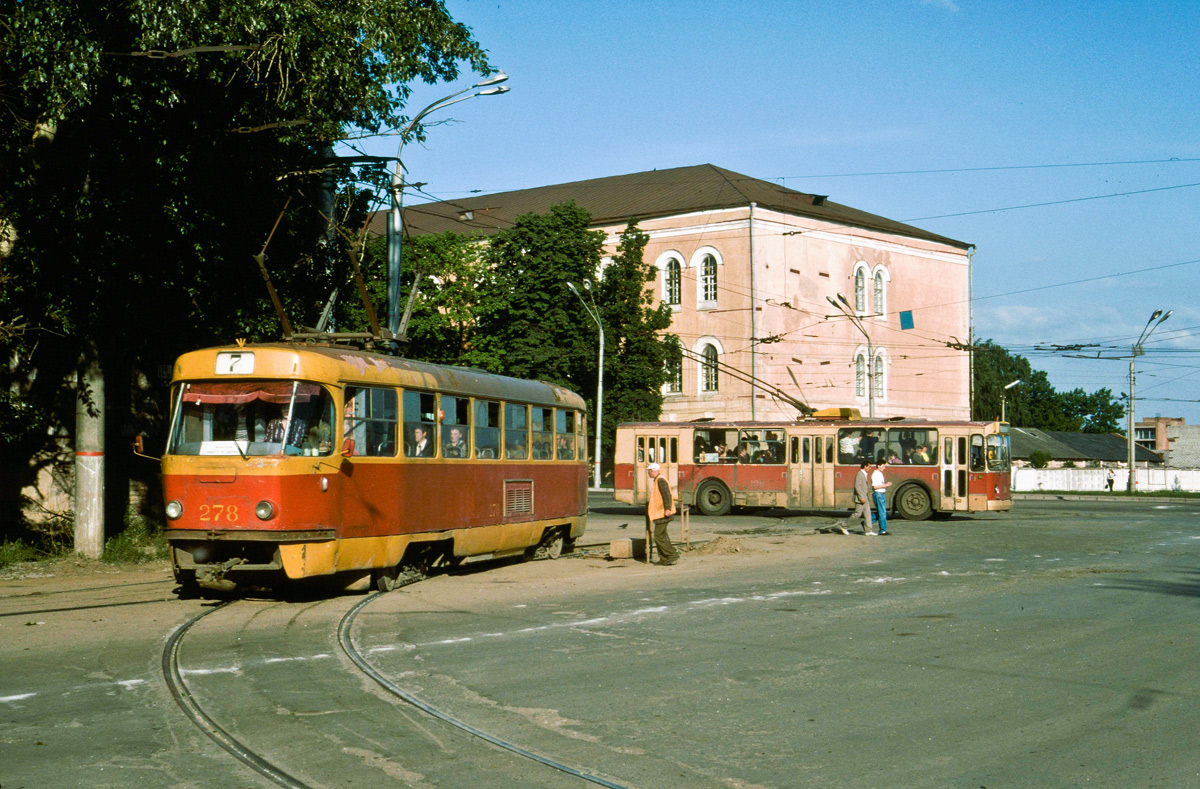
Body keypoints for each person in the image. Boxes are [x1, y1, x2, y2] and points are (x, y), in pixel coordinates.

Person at [645, 463, 679, 566]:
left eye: (649, 471)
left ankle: (672, 554)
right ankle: (664, 558)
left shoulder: (660, 480)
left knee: (658, 535)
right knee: (662, 535)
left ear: (654, 471)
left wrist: (667, 508)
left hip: (663, 513)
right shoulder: (658, 480)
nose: (648, 473)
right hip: (660, 513)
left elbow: (666, 495)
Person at [852, 460, 874, 535]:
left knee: (868, 514)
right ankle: (844, 525)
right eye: (869, 466)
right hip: (861, 499)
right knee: (857, 514)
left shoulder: (864, 474)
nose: (870, 468)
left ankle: (868, 531)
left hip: (865, 498)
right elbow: (857, 487)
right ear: (865, 466)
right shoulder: (859, 474)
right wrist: (861, 497)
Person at [871, 459, 893, 535]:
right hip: (878, 494)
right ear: (878, 466)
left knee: (880, 512)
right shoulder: (876, 474)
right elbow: (875, 487)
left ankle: (867, 522)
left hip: (880, 494)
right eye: (883, 466)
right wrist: (886, 485)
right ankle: (882, 530)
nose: (884, 468)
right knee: (882, 513)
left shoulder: (879, 473)